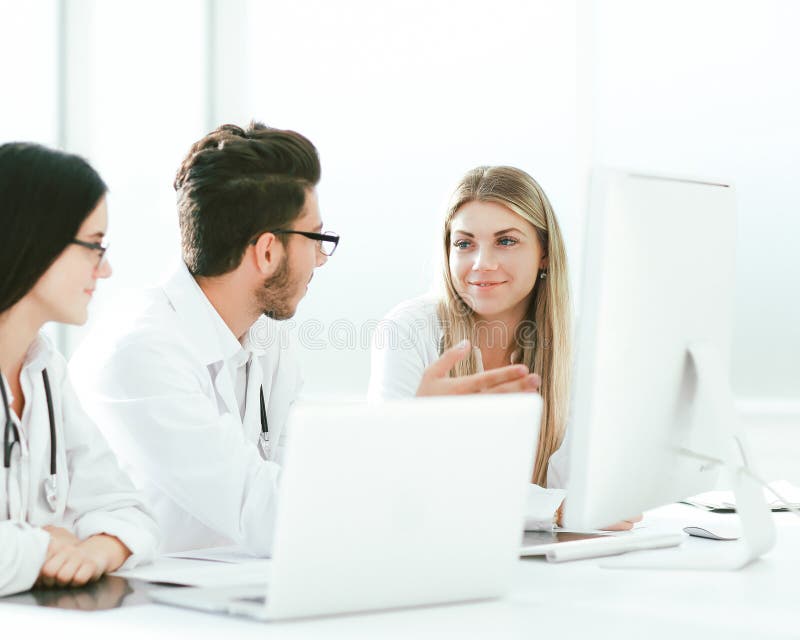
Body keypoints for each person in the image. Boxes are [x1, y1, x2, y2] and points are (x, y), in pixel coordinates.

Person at [70, 122, 540, 555]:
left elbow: (315, 477)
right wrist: (410, 434)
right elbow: (268, 513)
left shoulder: (265, 338)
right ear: (269, 251)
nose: (320, 259)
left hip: (241, 590)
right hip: (154, 611)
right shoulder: (139, 353)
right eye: (315, 239)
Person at [369, 165, 640, 530]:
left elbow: (588, 482)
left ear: (544, 252)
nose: (482, 263)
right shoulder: (407, 330)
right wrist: (556, 509)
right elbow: (393, 480)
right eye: (464, 244)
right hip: (433, 546)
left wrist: (599, 500)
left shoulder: (578, 341)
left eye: (506, 241)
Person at [0, 142, 159, 597]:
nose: (105, 270)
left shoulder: (46, 372)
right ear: (32, 238)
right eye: (93, 247)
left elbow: (130, 511)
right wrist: (43, 546)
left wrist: (97, 551)